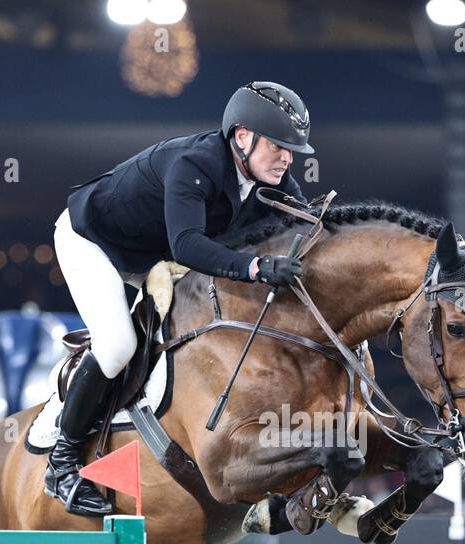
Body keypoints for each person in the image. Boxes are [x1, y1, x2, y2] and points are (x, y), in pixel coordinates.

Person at [48, 81, 315, 515]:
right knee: (118, 345)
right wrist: (256, 268)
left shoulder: (273, 179)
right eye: (279, 145)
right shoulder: (195, 164)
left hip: (154, 254)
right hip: (93, 241)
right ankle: (62, 459)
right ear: (242, 137)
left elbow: (308, 226)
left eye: (292, 149)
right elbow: (190, 245)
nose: (288, 157)